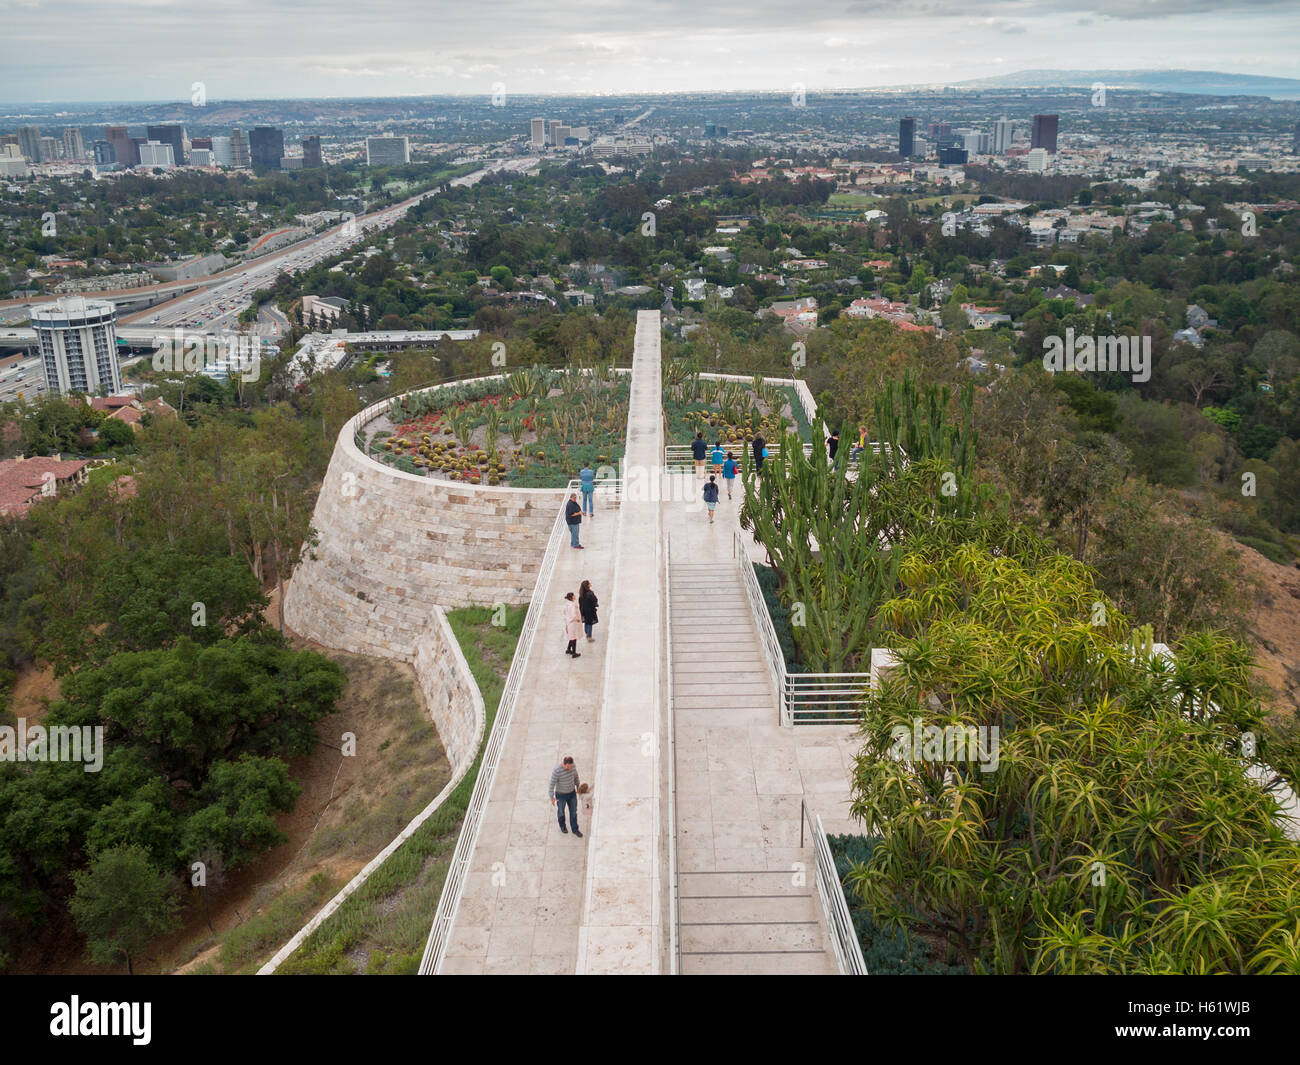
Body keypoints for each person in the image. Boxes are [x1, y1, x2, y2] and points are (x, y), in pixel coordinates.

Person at [549, 755, 583, 837]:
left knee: (574, 812)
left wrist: (578, 788)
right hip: (561, 795)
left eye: (571, 766)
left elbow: (576, 778)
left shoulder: (573, 766)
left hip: (572, 793)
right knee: (561, 812)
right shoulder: (557, 771)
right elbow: (551, 786)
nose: (570, 769)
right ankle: (562, 826)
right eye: (569, 767)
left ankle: (575, 829)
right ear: (565, 764)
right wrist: (552, 798)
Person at [562, 591, 582, 657]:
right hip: (573, 622)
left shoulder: (566, 604)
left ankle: (568, 649)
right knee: (574, 637)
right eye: (574, 595)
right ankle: (574, 653)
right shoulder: (572, 605)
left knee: (571, 636)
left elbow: (564, 612)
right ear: (572, 597)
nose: (575, 596)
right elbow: (573, 615)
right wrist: (577, 619)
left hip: (568, 622)